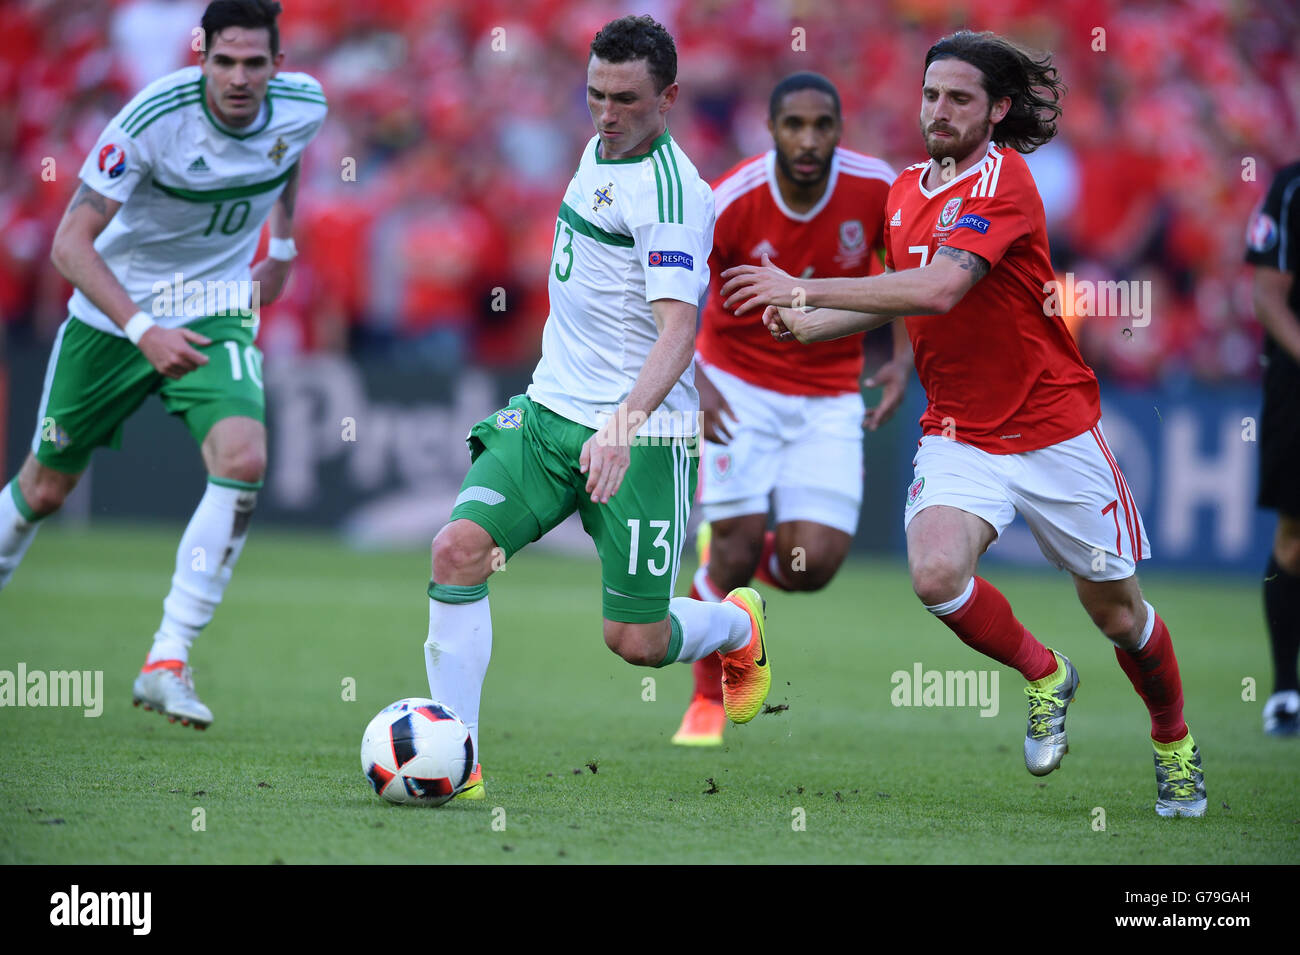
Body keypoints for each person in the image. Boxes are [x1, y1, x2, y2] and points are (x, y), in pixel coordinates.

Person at [721, 30, 1205, 817]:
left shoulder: (1005, 180)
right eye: (930, 94)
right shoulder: (906, 188)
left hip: (1054, 427)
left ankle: (1173, 741)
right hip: (958, 431)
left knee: (1118, 613)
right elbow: (900, 291)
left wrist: (806, 293)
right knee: (936, 574)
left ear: (998, 109)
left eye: (959, 98)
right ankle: (1046, 673)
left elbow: (942, 288)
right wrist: (804, 327)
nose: (938, 111)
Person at [422, 15, 769, 801]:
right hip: (547, 415)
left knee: (637, 642)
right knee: (457, 550)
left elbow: (680, 325)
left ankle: (738, 627)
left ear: (670, 97)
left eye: (627, 100)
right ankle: (456, 760)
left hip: (640, 441)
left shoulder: (676, 196)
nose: (607, 114)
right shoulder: (597, 147)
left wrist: (625, 423)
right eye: (596, 95)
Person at [0, 0, 325, 730]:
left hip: (214, 302)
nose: (239, 78)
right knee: (45, 487)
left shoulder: (304, 106)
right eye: (224, 61)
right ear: (200, 53)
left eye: (255, 63)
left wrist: (279, 249)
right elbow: (69, 244)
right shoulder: (151, 118)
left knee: (242, 458)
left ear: (279, 63)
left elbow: (288, 155)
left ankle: (167, 659)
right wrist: (143, 329)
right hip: (115, 310)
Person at [673, 72, 909, 746]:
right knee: (736, 546)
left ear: (839, 129)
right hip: (736, 384)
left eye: (823, 125)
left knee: (817, 562)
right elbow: (671, 294)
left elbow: (904, 272)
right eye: (794, 125)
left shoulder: (875, 186)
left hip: (830, 392)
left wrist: (900, 358)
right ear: (771, 129)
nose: (809, 139)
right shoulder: (732, 198)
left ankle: (735, 593)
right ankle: (705, 700)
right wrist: (697, 382)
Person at [1245, 159, 1300, 736]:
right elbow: (1268, 296)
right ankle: (1286, 690)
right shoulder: (1292, 188)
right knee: (1295, 534)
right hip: (1295, 384)